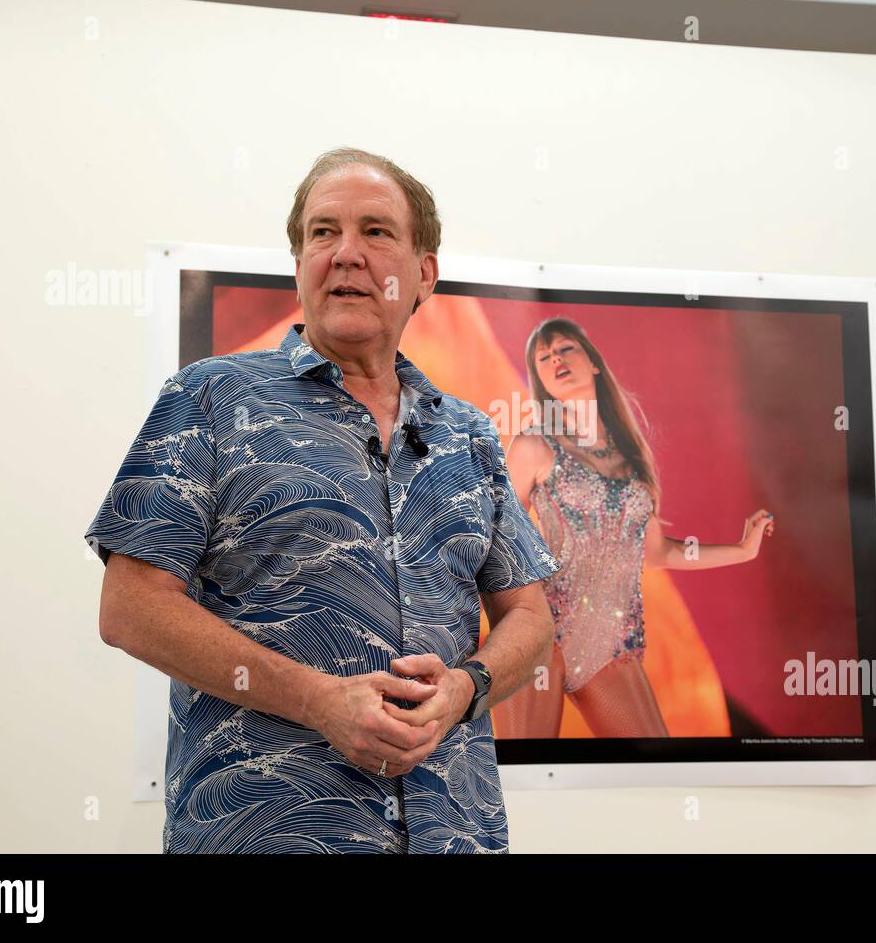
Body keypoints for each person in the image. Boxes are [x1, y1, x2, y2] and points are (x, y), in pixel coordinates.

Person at [86, 148, 559, 853]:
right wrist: (319, 701)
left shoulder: (469, 434)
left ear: (423, 272)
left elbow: (531, 615)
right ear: (299, 263)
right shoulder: (210, 398)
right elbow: (130, 609)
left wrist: (467, 686)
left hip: (456, 832)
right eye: (321, 233)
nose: (345, 254)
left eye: (375, 231)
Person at [492, 318, 775, 739]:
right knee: (523, 780)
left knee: (656, 767)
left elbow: (660, 553)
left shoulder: (631, 455)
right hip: (539, 637)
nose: (555, 360)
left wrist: (742, 549)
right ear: (542, 381)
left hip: (609, 646)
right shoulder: (535, 444)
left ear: (594, 364)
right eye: (543, 358)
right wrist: (515, 627)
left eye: (565, 348)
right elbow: (499, 540)